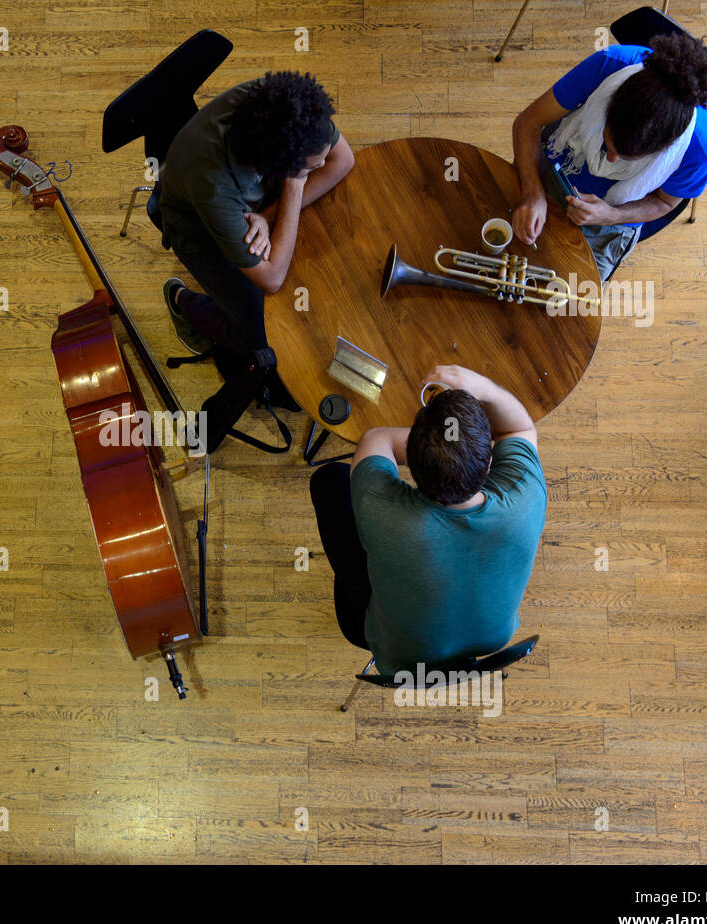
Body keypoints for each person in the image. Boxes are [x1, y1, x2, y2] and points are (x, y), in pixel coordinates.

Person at [156, 71, 354, 449]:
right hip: (197, 229)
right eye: (309, 166)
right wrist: (296, 185)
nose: (319, 164)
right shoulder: (215, 184)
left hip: (253, 206)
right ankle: (184, 303)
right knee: (262, 336)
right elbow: (273, 277)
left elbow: (342, 160)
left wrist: (270, 215)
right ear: (282, 165)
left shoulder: (290, 110)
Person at [308, 366, 546, 676]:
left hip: (395, 655)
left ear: (409, 464)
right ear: (490, 461)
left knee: (329, 480)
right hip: (491, 642)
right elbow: (519, 429)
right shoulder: (525, 496)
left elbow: (376, 437)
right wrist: (484, 387)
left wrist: (434, 443)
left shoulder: (383, 511)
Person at [511, 34, 707, 280]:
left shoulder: (701, 150)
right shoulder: (608, 63)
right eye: (607, 144)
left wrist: (611, 215)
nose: (610, 160)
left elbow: (666, 203)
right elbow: (528, 122)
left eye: (627, 158)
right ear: (608, 104)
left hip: (611, 219)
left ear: (662, 150)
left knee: (567, 301)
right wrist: (532, 192)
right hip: (549, 168)